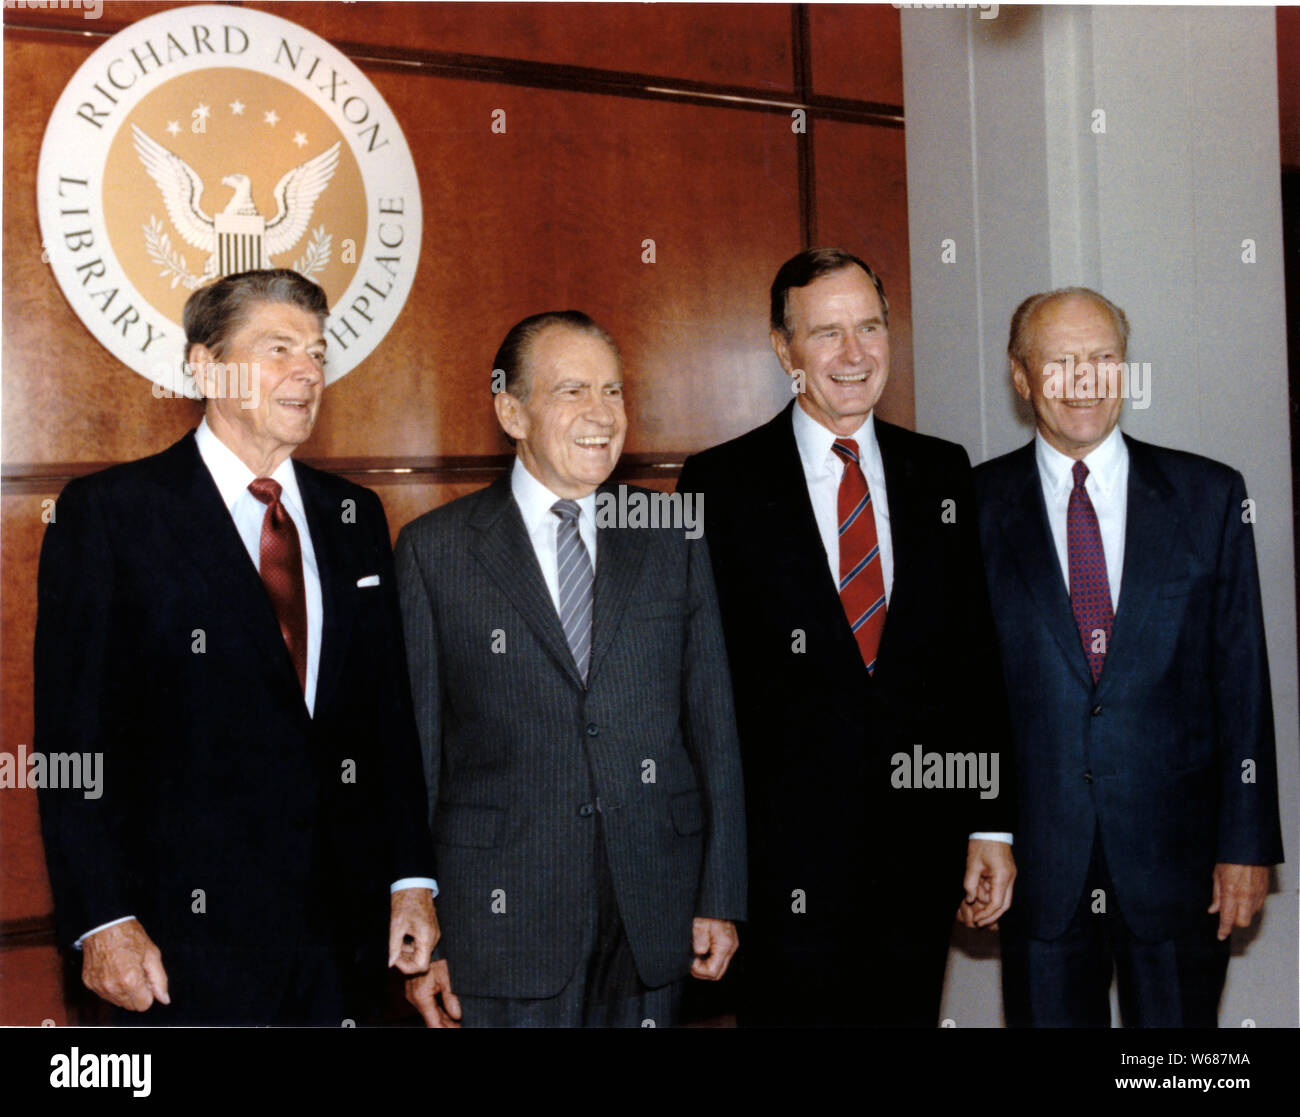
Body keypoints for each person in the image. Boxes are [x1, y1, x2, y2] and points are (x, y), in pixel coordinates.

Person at [35, 269, 437, 1026]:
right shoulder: (111, 516)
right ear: (204, 365)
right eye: (278, 347)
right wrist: (100, 919)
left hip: (342, 944)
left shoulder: (354, 514)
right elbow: (70, 745)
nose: (308, 371)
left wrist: (411, 877)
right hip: (178, 949)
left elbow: (387, 719)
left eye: (318, 352)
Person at [676, 247, 1015, 1027]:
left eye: (869, 326)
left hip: (918, 860)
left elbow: (975, 659)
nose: (854, 354)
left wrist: (988, 822)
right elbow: (699, 689)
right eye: (826, 333)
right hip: (778, 869)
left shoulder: (942, 472)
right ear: (781, 348)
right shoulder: (719, 484)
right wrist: (712, 876)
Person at [396, 310, 746, 1028]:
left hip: (654, 905)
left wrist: (721, 894)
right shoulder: (436, 552)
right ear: (512, 409)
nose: (602, 415)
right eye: (573, 391)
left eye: (614, 391)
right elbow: (417, 756)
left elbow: (714, 726)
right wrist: (426, 917)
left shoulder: (671, 532)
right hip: (497, 920)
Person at [975, 286, 1284, 1027]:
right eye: (1060, 363)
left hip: (1176, 866)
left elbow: (1243, 684)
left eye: (1104, 358)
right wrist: (983, 830)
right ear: (1022, 378)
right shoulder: (971, 508)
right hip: (1037, 868)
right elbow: (961, 693)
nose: (1085, 380)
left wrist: (1247, 845)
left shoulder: (1209, 497)